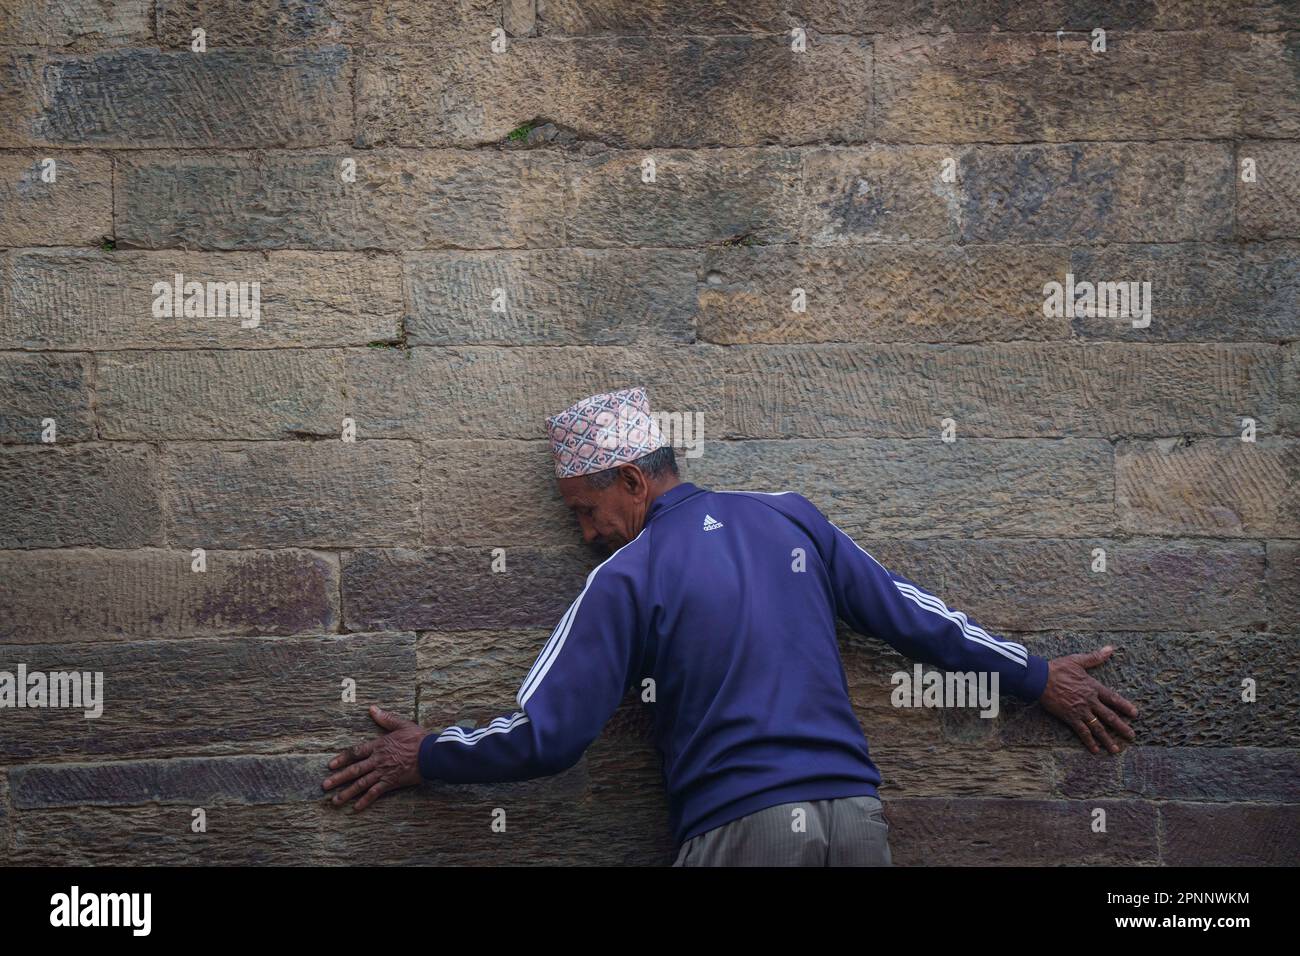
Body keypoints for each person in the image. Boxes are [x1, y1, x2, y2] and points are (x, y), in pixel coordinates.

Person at [322, 386, 1138, 865]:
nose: (586, 534)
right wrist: (1038, 678)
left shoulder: (628, 576)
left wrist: (423, 754)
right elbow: (914, 617)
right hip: (853, 822)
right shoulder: (790, 519)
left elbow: (549, 735)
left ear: (634, 480)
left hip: (743, 834)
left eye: (585, 510)